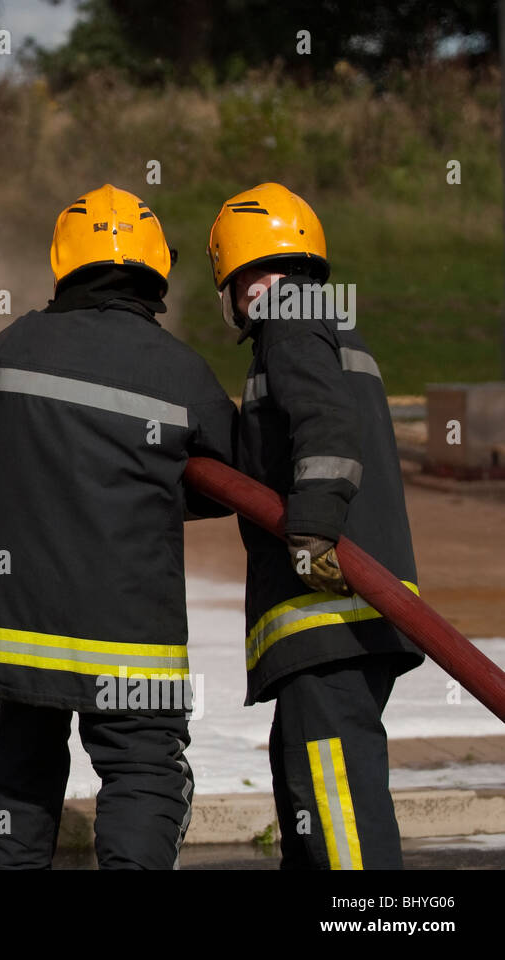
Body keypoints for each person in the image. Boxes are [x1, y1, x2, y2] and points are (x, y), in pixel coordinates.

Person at [0, 184, 238, 869]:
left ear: (64, 264)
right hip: (130, 632)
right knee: (144, 770)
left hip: (22, 626)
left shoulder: (8, 350)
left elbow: (17, 433)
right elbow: (229, 476)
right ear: (156, 271)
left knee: (19, 764)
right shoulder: (179, 372)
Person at [206, 182, 424, 870]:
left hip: (328, 615)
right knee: (311, 810)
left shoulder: (290, 318)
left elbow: (327, 426)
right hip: (351, 619)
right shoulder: (325, 320)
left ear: (234, 274)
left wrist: (314, 528)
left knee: (337, 816)